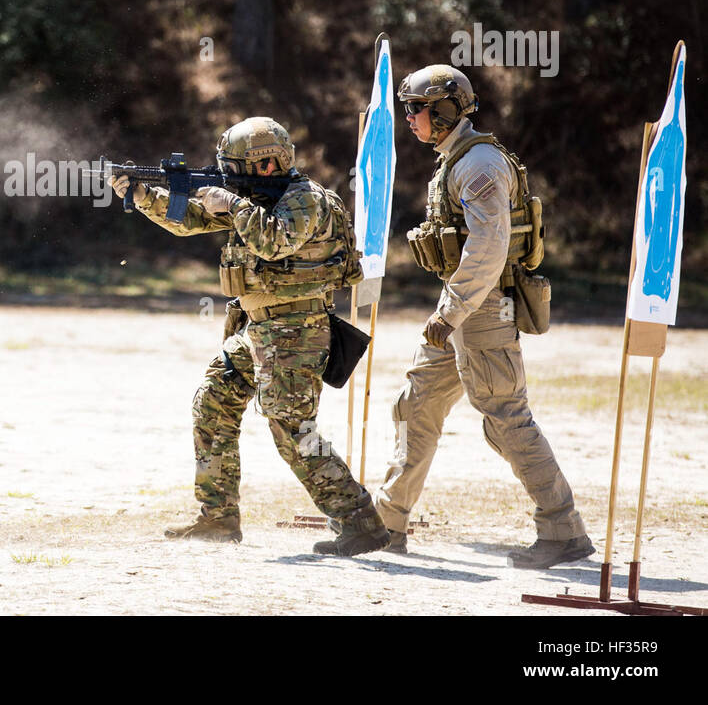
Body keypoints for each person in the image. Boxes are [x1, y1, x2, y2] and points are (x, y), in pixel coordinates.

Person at [110, 117, 389, 556]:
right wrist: (142, 193)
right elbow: (189, 220)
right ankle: (218, 517)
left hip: (298, 331)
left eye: (235, 167)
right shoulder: (252, 199)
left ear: (264, 165)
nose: (229, 177)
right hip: (260, 328)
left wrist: (232, 205)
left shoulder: (305, 200)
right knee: (214, 399)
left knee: (291, 428)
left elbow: (274, 242)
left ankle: (360, 522)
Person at [376, 65, 593, 568]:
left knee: (506, 420)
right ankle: (388, 520)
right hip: (462, 308)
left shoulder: (477, 165)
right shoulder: (458, 159)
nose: (409, 118)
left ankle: (562, 529)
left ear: (446, 110)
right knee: (417, 407)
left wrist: (450, 313)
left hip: (479, 310)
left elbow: (488, 248)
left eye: (417, 108)